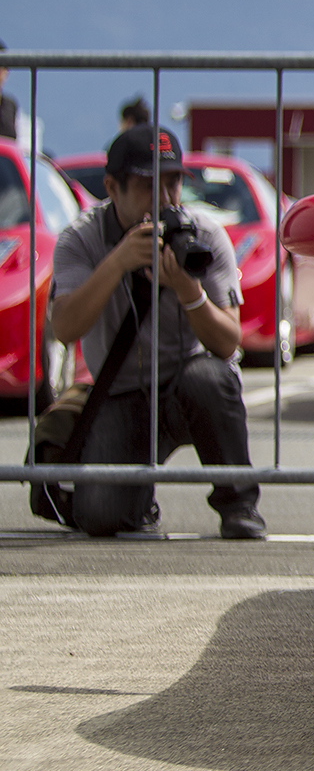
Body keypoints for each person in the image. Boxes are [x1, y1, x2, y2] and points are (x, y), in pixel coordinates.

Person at [49, 125, 265, 538]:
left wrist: (189, 291)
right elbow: (64, 328)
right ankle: (136, 502)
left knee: (211, 378)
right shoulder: (81, 239)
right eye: (149, 185)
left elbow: (226, 342)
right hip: (121, 391)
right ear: (112, 187)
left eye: (173, 183)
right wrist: (117, 263)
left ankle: (239, 506)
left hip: (188, 384)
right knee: (99, 516)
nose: (165, 199)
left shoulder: (203, 234)